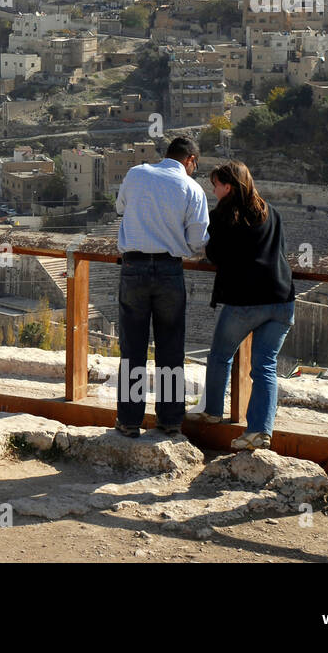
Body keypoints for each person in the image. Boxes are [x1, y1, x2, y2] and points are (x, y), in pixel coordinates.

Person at [186, 160, 295, 450]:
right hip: (282, 300)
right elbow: (281, 250)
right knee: (265, 367)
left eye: (216, 185)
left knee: (220, 356)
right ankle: (259, 431)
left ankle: (211, 411)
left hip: (246, 301)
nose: (213, 190)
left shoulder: (223, 216)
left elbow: (215, 253)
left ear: (229, 186)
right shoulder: (272, 212)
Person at [114, 136, 209, 438]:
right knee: (170, 348)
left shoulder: (136, 174)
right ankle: (169, 421)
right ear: (190, 160)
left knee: (132, 348)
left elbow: (121, 208)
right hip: (169, 270)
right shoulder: (193, 189)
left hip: (133, 267)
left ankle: (129, 421)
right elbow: (196, 242)